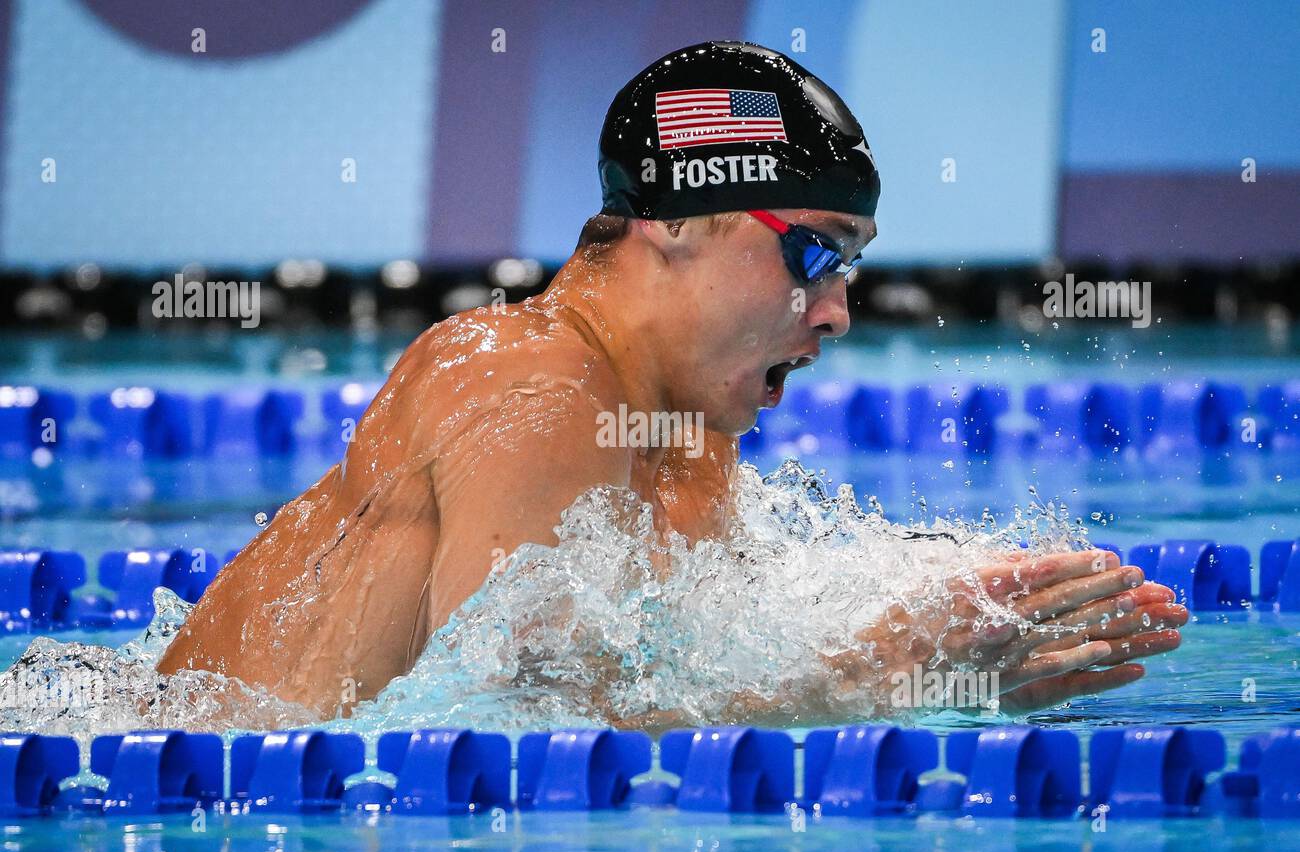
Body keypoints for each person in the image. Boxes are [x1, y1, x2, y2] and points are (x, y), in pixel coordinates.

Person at [158, 41, 1185, 722]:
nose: (834, 310)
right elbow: (512, 711)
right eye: (813, 253)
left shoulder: (686, 430)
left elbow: (675, 667)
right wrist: (878, 678)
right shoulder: (531, 379)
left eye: (850, 268)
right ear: (678, 219)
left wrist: (938, 619)